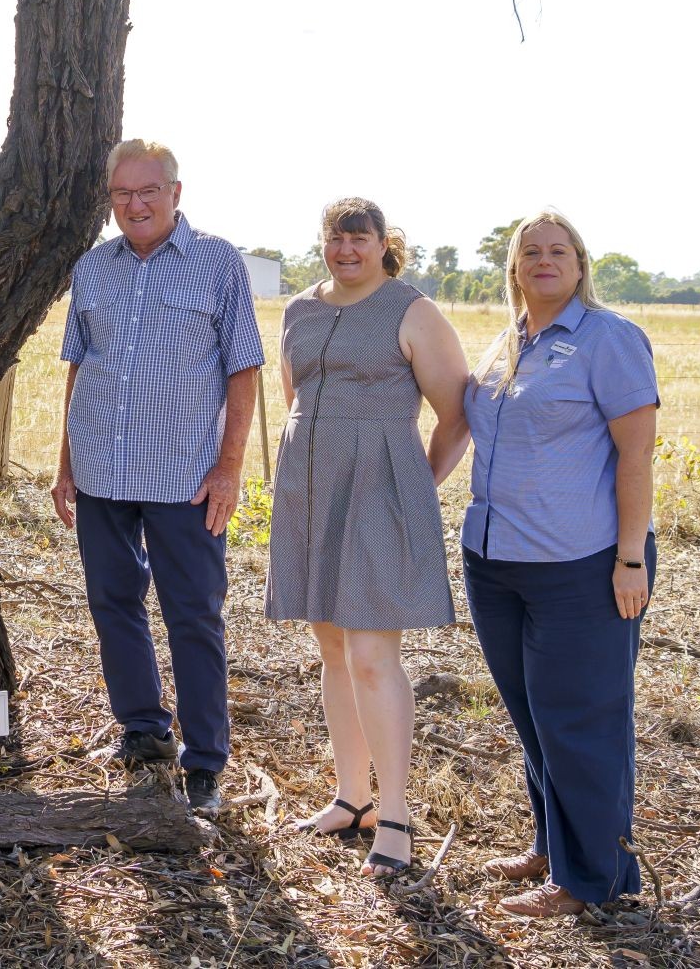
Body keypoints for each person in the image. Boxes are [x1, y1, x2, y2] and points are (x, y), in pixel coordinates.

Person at [52, 138, 264, 816]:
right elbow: (79, 369)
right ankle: (144, 730)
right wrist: (65, 465)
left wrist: (230, 469)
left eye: (148, 192)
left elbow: (244, 368)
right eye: (122, 195)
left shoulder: (217, 263)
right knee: (113, 604)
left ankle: (205, 761)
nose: (135, 205)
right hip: (102, 472)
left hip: (186, 478)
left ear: (176, 193)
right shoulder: (94, 268)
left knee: (194, 615)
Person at [461, 211, 660, 917]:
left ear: (580, 264)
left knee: (581, 719)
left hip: (584, 564)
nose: (544, 260)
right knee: (533, 715)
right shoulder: (506, 344)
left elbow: (636, 454)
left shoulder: (609, 340)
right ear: (514, 267)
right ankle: (554, 845)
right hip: (495, 560)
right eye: (530, 252)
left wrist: (631, 558)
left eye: (558, 251)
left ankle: (593, 880)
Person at [266, 198, 470, 878]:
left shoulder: (412, 311)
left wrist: (413, 485)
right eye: (335, 238)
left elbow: (455, 415)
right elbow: (295, 397)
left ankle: (398, 815)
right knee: (330, 647)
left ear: (385, 244)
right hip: (310, 491)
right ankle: (351, 799)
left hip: (380, 492)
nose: (346, 249)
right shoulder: (298, 310)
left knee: (374, 655)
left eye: (360, 239)